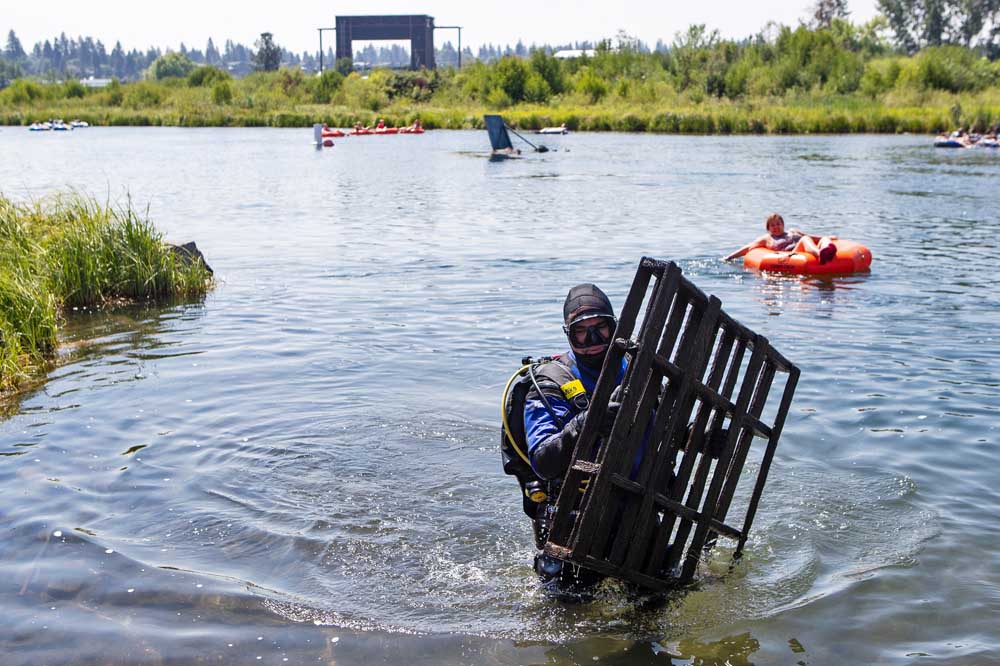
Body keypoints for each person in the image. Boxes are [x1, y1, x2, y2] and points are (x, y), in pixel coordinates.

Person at [520, 284, 627, 595]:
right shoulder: (551, 381)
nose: (592, 340)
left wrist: (697, 437)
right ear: (568, 334)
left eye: (600, 328)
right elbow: (543, 461)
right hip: (573, 518)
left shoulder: (637, 370)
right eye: (581, 332)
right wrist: (584, 425)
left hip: (633, 512)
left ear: (614, 326)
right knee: (568, 610)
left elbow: (664, 429)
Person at [722, 213, 837, 264]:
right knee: (804, 239)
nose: (776, 227)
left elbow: (813, 238)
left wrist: (828, 238)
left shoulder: (793, 231)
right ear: (768, 228)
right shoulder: (767, 238)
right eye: (772, 225)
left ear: (783, 224)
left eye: (778, 224)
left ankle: (827, 251)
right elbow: (748, 248)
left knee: (824, 239)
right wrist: (730, 257)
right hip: (792, 255)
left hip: (805, 251)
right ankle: (820, 254)